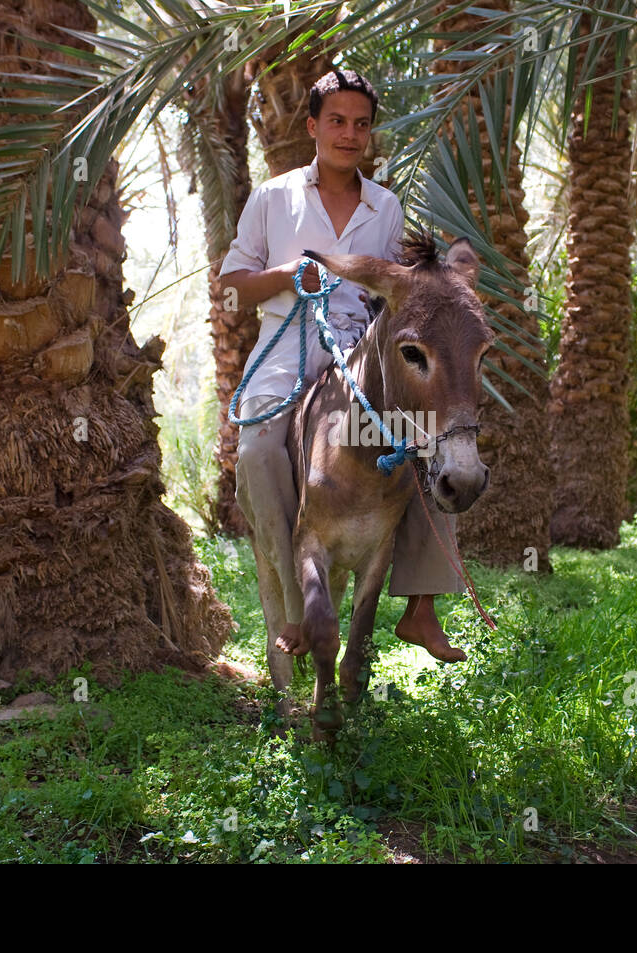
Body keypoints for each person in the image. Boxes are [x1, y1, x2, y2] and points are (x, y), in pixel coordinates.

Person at [219, 68, 466, 663]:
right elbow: (230, 286)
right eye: (337, 121)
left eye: (360, 124)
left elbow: (396, 293)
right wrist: (288, 275)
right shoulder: (272, 196)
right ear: (313, 126)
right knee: (255, 452)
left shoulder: (385, 207)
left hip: (361, 350)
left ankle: (423, 604)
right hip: (285, 345)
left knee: (428, 438)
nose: (349, 134)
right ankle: (291, 605)